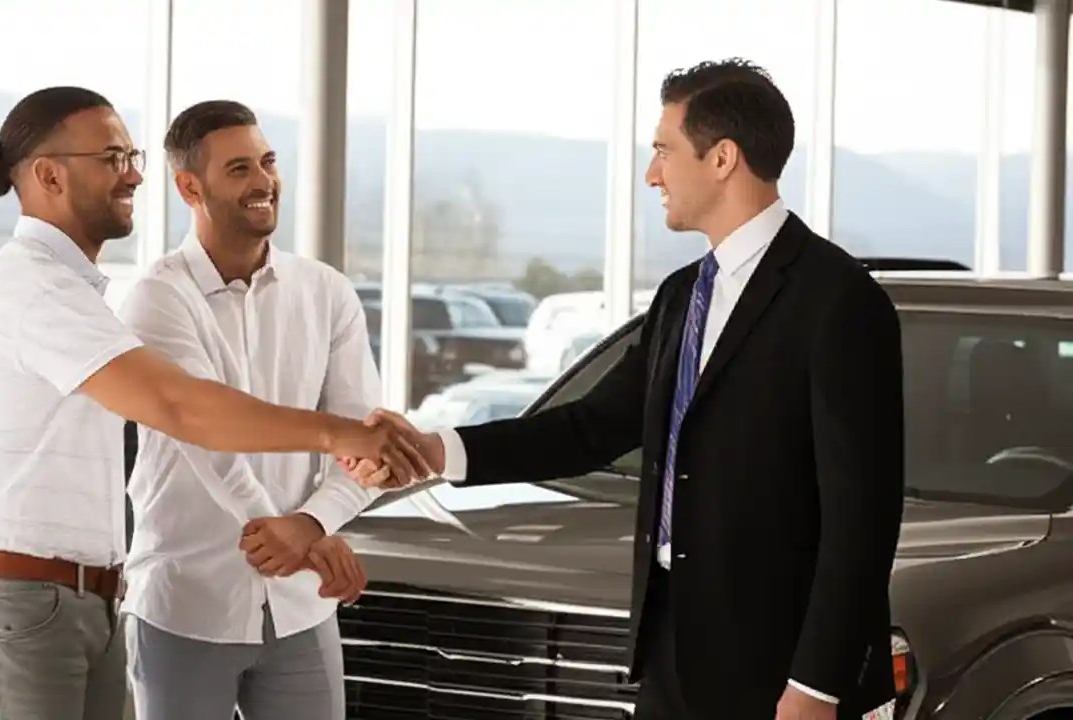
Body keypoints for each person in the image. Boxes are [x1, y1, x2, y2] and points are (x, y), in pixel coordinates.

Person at [359, 59, 905, 720]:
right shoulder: (683, 296)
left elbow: (862, 521)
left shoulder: (839, 300)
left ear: (723, 158)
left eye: (663, 151)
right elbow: (590, 427)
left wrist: (818, 685)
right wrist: (433, 449)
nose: (653, 175)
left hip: (781, 670)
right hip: (673, 656)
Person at [0, 86, 422, 720]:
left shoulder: (74, 291)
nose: (134, 173)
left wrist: (315, 519)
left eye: (130, 153)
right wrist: (339, 437)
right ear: (49, 174)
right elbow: (182, 409)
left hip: (79, 598)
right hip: (25, 599)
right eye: (112, 156)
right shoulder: (40, 290)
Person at [114, 100, 382, 720]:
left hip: (301, 606)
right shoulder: (158, 298)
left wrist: (313, 526)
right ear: (189, 186)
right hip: (187, 601)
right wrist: (295, 538)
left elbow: (362, 441)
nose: (263, 182)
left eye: (267, 162)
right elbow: (203, 436)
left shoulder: (327, 293)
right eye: (238, 169)